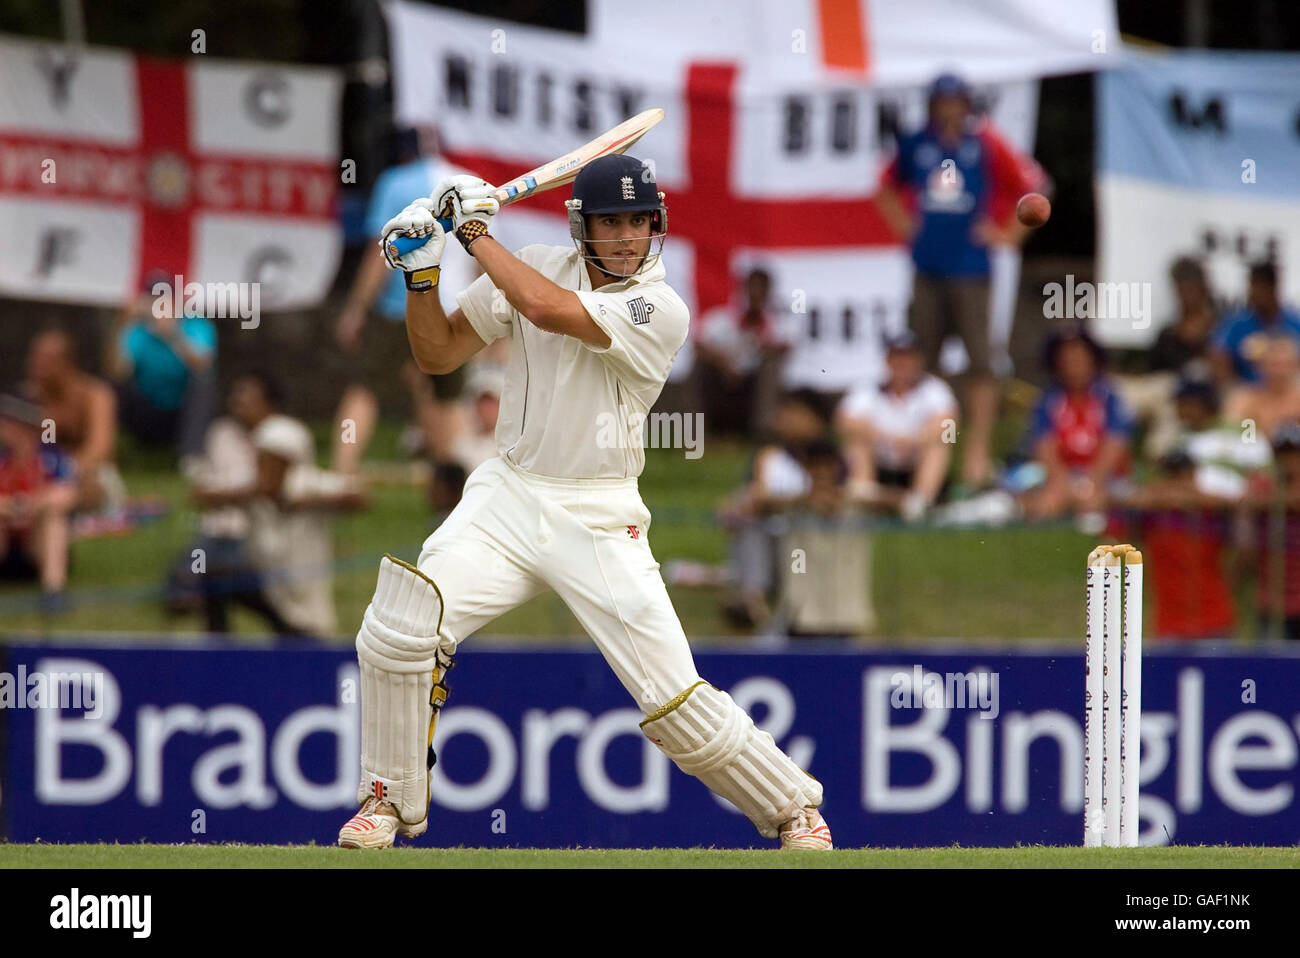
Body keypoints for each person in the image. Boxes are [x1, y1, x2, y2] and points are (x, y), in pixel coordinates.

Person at [337, 155, 831, 850]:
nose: (628, 236)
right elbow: (440, 354)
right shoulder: (538, 262)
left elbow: (547, 309)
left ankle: (793, 809)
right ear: (582, 226)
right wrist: (423, 275)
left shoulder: (659, 307)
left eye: (639, 220)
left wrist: (473, 235)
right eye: (612, 221)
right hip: (506, 493)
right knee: (399, 625)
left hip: (599, 514)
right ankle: (387, 802)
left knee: (674, 700)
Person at [875, 72, 1049, 490]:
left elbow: (1035, 190)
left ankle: (976, 454)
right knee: (923, 360)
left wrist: (1007, 234)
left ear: (966, 103)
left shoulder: (985, 142)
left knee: (981, 363)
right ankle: (926, 451)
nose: (949, 108)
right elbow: (885, 190)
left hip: (972, 270)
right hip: (929, 268)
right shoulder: (917, 143)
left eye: (955, 101)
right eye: (942, 101)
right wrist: (907, 227)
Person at [330, 126, 479, 475]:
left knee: (365, 389)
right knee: (446, 394)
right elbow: (478, 254)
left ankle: (342, 471)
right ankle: (452, 479)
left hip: (402, 307)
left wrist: (356, 308)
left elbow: (378, 253)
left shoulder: (395, 182)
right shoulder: (470, 183)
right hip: (456, 306)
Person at [836, 329, 958, 522]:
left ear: (919, 361)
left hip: (915, 461)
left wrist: (914, 441)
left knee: (938, 447)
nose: (903, 363)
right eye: (897, 357)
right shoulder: (867, 388)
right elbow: (846, 422)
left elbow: (948, 425)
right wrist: (888, 439)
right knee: (856, 443)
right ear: (887, 360)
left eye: (908, 357)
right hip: (881, 461)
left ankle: (920, 503)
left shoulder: (935, 389)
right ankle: (865, 496)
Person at [1023, 325, 1134, 525]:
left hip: (1105, 478)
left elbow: (1115, 443)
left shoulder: (1110, 398)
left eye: (1079, 359)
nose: (1073, 365)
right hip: (1063, 477)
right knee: (1047, 502)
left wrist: (1092, 481)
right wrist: (1062, 481)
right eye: (1067, 360)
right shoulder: (1048, 401)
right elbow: (1044, 446)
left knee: (1094, 500)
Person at [106, 273, 218, 467]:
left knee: (204, 380)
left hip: (182, 414)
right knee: (114, 387)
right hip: (145, 412)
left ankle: (192, 458)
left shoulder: (196, 324)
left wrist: (173, 335)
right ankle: (112, 450)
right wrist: (122, 323)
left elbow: (203, 364)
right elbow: (117, 373)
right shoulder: (137, 330)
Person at [23, 327, 122, 514]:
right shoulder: (31, 399)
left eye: (47, 360)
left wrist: (66, 470)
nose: (38, 365)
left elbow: (101, 448)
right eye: (36, 358)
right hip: (44, 475)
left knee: (91, 479)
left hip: (88, 475)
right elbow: (31, 448)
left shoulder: (95, 395)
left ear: (67, 363)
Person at [0, 394, 78, 612]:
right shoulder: (2, 460)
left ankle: (53, 592)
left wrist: (29, 505)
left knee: (54, 519)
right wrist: (9, 508)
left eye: (9, 421)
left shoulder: (52, 458)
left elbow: (66, 495)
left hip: (35, 546)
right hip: (6, 543)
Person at [694, 267, 790, 438]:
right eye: (752, 289)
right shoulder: (723, 319)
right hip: (722, 379)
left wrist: (763, 346)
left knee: (772, 367)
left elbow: (785, 345)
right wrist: (722, 363)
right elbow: (699, 344)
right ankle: (698, 430)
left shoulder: (776, 322)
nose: (755, 295)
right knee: (700, 366)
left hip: (753, 383)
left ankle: (763, 430)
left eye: (761, 290)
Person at [1210, 261, 1300, 386]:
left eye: (1258, 287)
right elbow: (1218, 353)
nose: (1252, 294)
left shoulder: (1294, 322)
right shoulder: (1238, 323)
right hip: (1249, 395)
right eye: (1251, 287)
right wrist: (1232, 390)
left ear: (1272, 288)